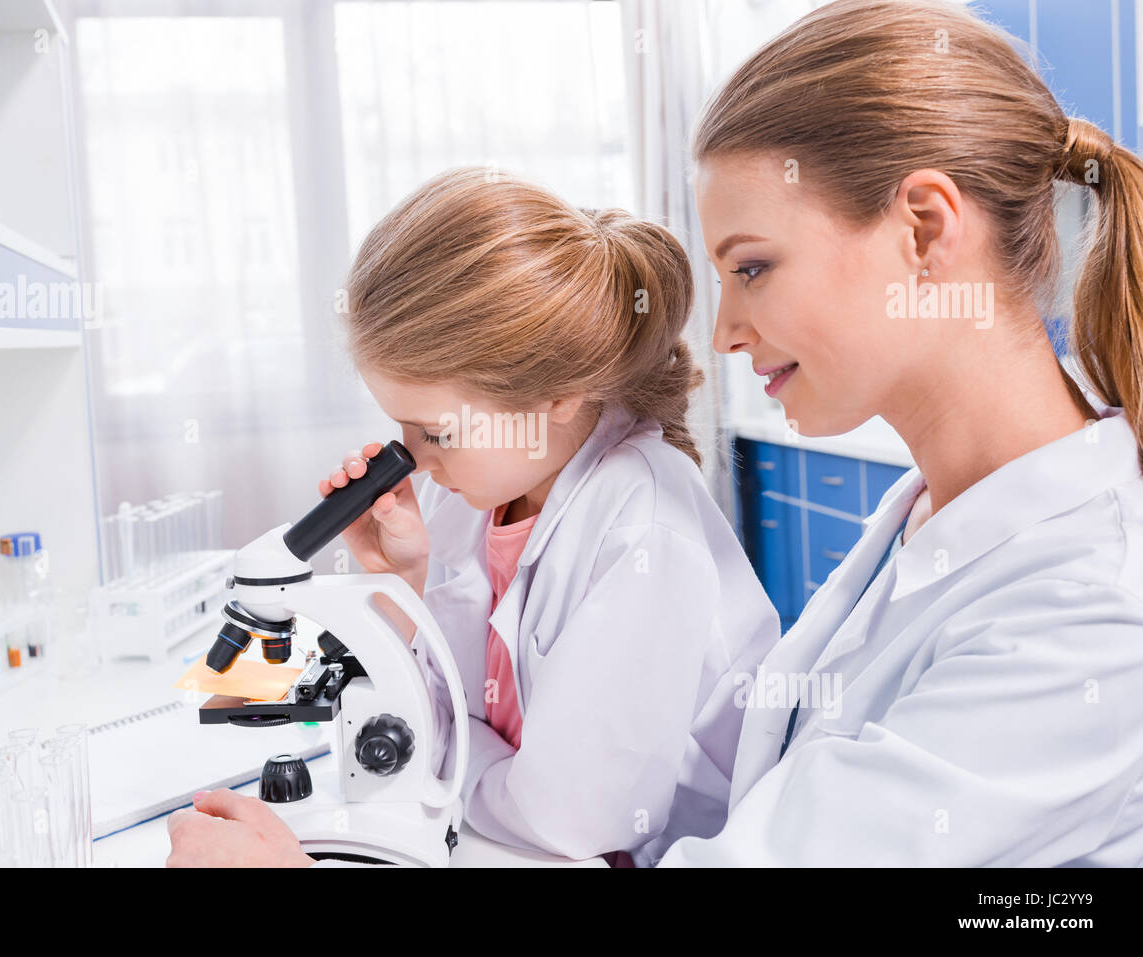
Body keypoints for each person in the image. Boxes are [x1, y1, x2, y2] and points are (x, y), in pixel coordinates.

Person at [167, 167, 779, 866]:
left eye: (437, 432)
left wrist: (456, 750)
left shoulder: (642, 525)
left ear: (556, 394)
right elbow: (423, 728)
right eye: (402, 426)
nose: (414, 460)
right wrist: (402, 585)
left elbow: (568, 818)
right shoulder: (472, 493)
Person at [660, 0, 1143, 865]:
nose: (727, 329)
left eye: (754, 268)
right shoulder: (932, 509)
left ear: (925, 227)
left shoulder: (1094, 609)